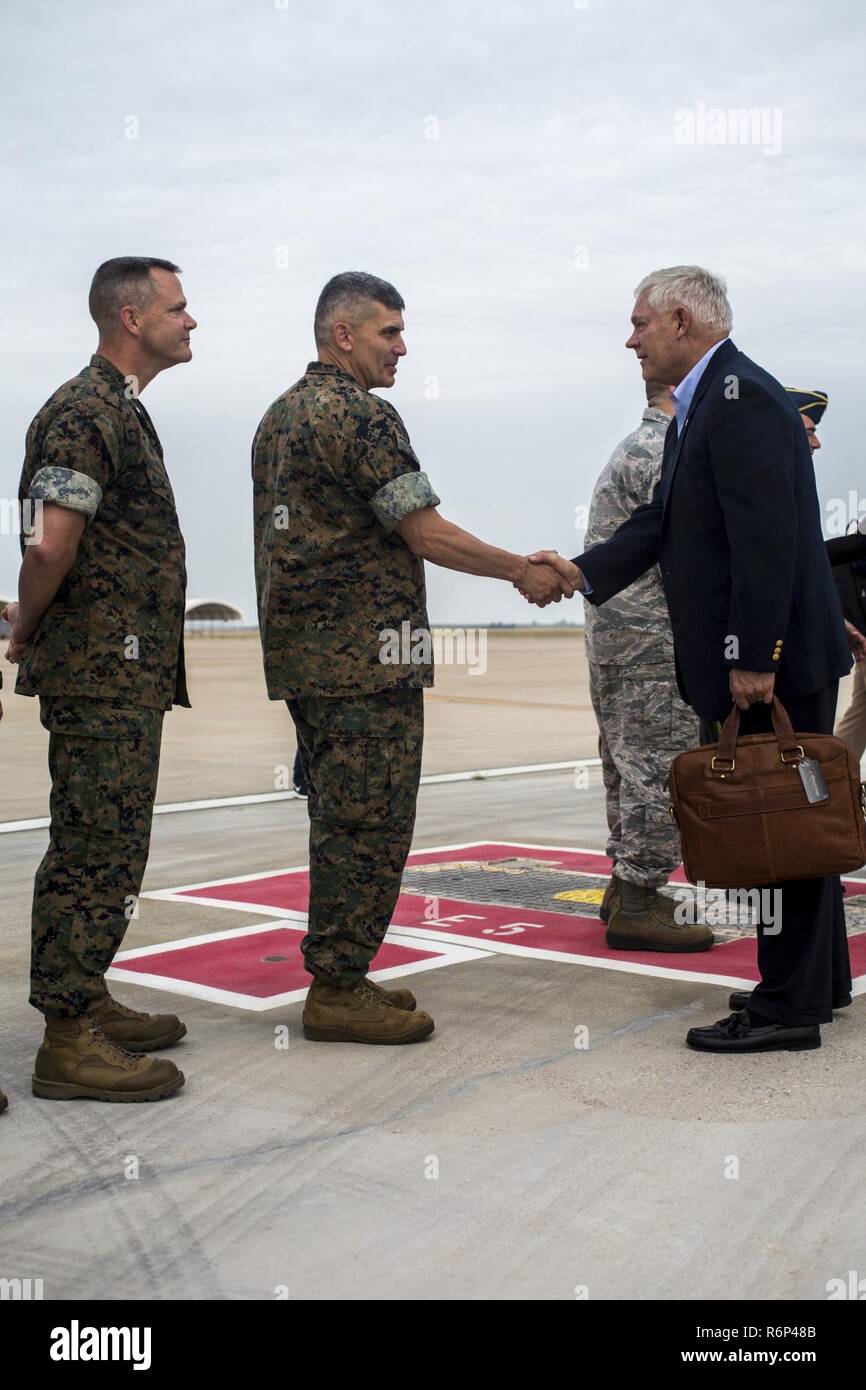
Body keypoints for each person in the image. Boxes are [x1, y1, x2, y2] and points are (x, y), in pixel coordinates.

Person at [530, 265, 852, 1053]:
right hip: (773, 651)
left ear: (682, 320)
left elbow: (767, 540)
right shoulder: (710, 400)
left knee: (779, 828)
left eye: (640, 323)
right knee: (796, 821)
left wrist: (752, 654)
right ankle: (816, 984)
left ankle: (786, 1011)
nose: (630, 338)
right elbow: (662, 521)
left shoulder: (739, 400)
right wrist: (581, 571)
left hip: (772, 659)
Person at [252, 270, 573, 1045]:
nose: (403, 347)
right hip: (365, 662)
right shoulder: (361, 416)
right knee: (369, 823)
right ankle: (336, 986)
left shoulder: (277, 417)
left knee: (340, 817)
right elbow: (423, 531)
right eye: (390, 332)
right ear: (344, 335)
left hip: (307, 660)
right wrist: (520, 570)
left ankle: (345, 972)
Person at [2, 257, 196, 1104]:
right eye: (178, 308)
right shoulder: (83, 411)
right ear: (130, 316)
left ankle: (86, 997)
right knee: (92, 847)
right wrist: (27, 624)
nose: (191, 322)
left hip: (122, 671)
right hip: (96, 671)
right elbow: (48, 544)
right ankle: (67, 1038)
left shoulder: (117, 409)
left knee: (115, 845)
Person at [585, 378, 710, 951]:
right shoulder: (666, 450)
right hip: (651, 639)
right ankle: (638, 900)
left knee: (627, 764)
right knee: (660, 769)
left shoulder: (637, 443)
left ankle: (624, 886)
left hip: (621, 638)